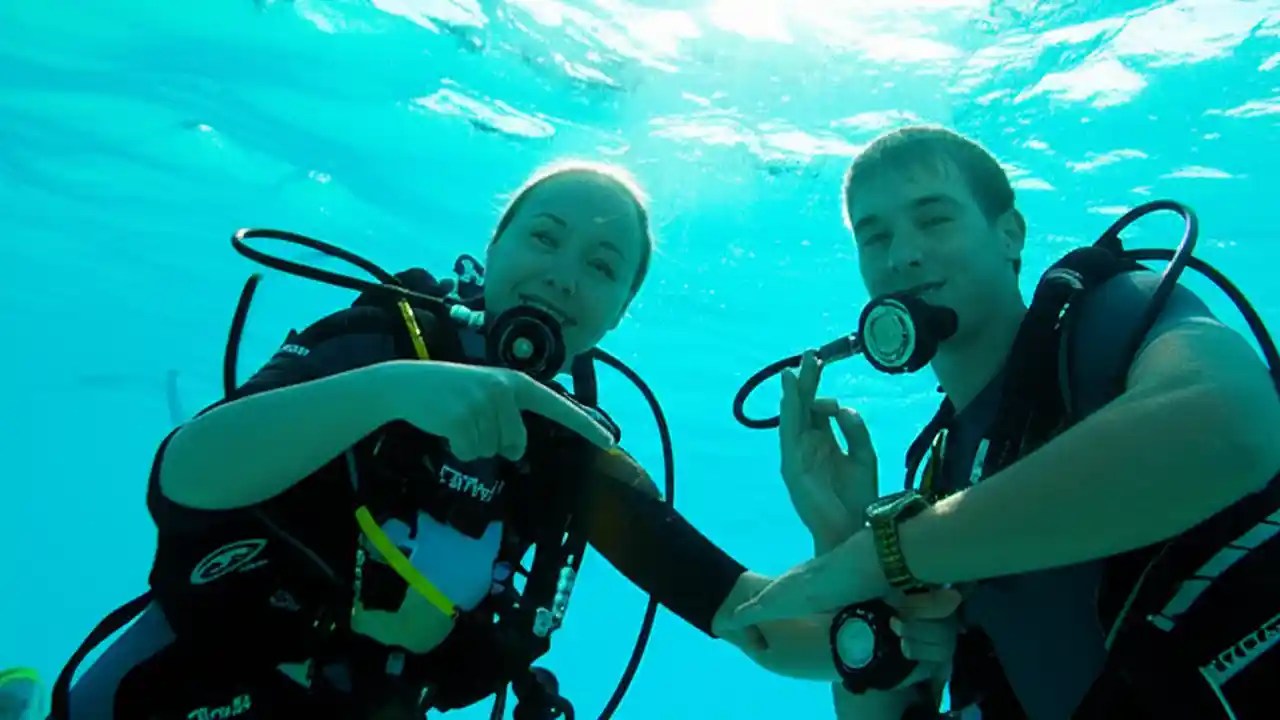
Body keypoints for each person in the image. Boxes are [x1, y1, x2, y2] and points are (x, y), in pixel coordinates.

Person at [53, 161, 813, 719]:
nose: (562, 275)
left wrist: (889, 580)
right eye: (544, 238)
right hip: (166, 690)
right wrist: (394, 390)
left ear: (620, 309)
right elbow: (184, 476)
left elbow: (745, 613)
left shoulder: (567, 453)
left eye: (603, 266)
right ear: (494, 246)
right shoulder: (385, 343)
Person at [720, 126, 1280, 719]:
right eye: (873, 235)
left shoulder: (1111, 319)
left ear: (1009, 234)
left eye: (933, 220)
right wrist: (837, 529)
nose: (901, 254)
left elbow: (1231, 426)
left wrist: (879, 555)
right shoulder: (934, 473)